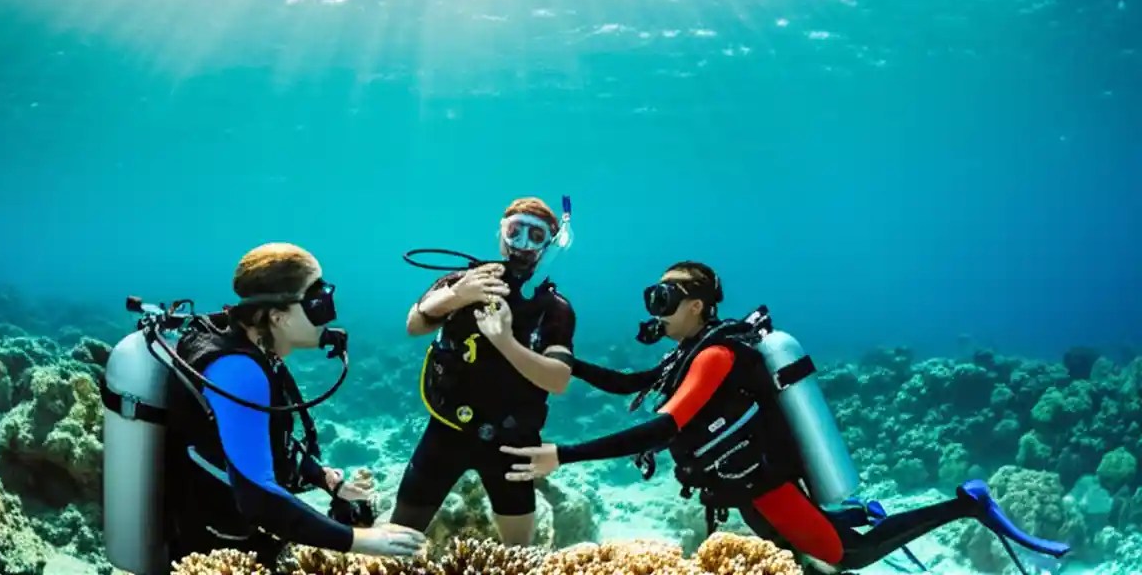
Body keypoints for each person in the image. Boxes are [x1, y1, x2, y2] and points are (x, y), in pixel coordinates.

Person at [499, 261, 1071, 575]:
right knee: (801, 553)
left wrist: (562, 456)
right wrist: (563, 361)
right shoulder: (685, 354)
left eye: (666, 298)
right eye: (655, 297)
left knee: (845, 558)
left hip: (765, 484)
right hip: (742, 488)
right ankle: (854, 515)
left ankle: (968, 502)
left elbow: (663, 429)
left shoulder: (718, 354)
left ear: (698, 305)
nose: (657, 309)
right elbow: (628, 384)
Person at [161, 243, 427, 567]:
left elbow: (265, 441)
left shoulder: (256, 349)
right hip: (217, 551)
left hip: (237, 532)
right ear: (279, 317)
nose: (328, 313)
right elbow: (259, 499)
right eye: (316, 302)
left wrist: (326, 479)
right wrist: (360, 540)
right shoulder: (241, 372)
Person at [391, 196, 577, 546]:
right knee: (397, 541)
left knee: (519, 557)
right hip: (447, 428)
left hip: (514, 442)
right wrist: (458, 296)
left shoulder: (553, 309)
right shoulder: (463, 281)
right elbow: (415, 324)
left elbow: (558, 379)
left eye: (535, 236)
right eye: (514, 231)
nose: (522, 245)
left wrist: (505, 341)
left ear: (549, 246)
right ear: (500, 236)